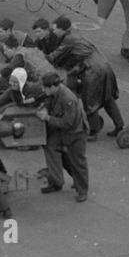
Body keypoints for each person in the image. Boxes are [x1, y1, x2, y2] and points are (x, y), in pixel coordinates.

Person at [49, 27, 123, 140]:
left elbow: (55, 57)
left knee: (90, 102)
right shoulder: (78, 37)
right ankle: (119, 126)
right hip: (104, 67)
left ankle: (93, 132)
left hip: (93, 71)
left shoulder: (68, 41)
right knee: (108, 99)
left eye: (55, 29)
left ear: (61, 29)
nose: (54, 32)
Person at [36, 71, 90, 200]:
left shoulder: (67, 98)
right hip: (64, 131)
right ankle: (57, 181)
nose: (43, 89)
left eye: (45, 87)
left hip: (76, 132)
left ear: (53, 87)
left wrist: (47, 117)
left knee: (78, 161)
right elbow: (49, 101)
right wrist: (44, 108)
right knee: (50, 146)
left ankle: (82, 190)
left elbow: (68, 123)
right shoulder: (55, 92)